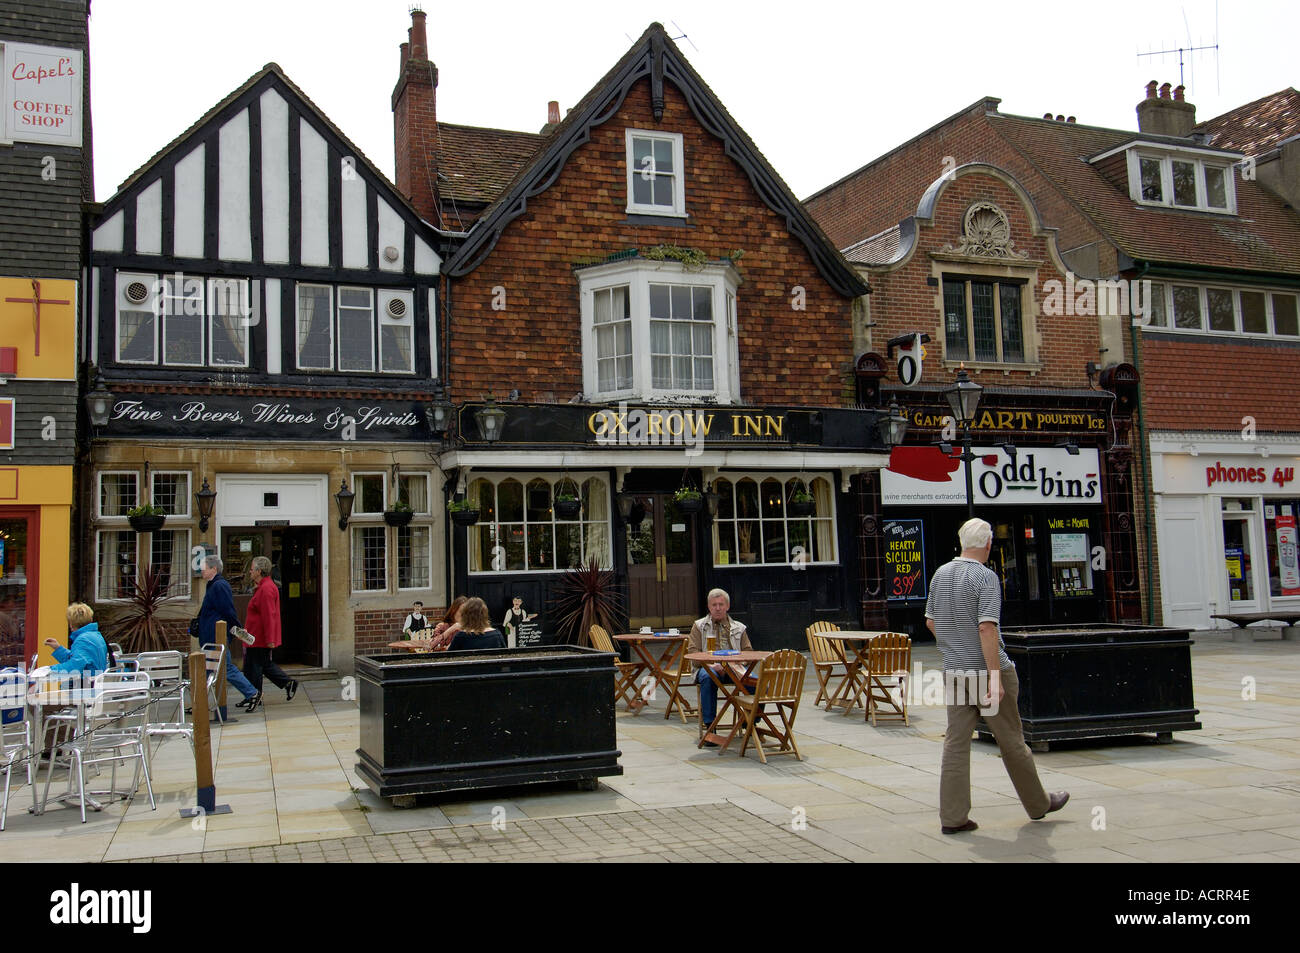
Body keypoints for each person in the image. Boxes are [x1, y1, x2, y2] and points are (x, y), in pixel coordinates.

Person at [925, 518, 1069, 834]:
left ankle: (953, 817)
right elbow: (987, 627)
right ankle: (1038, 804)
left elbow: (931, 622)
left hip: (956, 671)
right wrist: (994, 679)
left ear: (962, 542)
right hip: (989, 672)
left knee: (956, 743)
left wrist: (952, 649)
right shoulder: (985, 577)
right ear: (989, 544)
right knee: (1011, 740)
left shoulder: (940, 575)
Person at [687, 588, 754, 745]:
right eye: (714, 605)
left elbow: (748, 652)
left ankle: (750, 721)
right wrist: (712, 664)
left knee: (759, 683)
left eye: (721, 605)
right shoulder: (699, 626)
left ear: (727, 606)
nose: (718, 608)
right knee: (707, 678)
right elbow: (693, 654)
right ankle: (710, 727)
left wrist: (736, 663)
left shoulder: (739, 627)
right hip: (709, 668)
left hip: (734, 668)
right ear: (709, 607)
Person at [197, 555, 260, 711]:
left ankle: (252, 693)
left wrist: (237, 628)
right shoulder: (212, 585)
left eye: (204, 567)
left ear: (214, 569)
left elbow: (228, 610)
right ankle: (200, 702)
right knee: (208, 668)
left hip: (216, 635)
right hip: (209, 635)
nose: (201, 570)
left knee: (225, 667)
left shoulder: (220, 586)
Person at [241, 556, 298, 713]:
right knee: (260, 665)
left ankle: (255, 695)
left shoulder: (266, 589)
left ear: (259, 571)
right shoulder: (263, 587)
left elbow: (269, 616)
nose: (250, 571)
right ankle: (285, 684)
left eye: (252, 569)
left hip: (259, 638)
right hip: (254, 636)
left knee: (256, 667)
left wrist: (270, 639)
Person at [45, 603, 109, 677]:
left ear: (72, 624)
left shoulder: (83, 640)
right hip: (95, 681)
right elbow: (79, 658)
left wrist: (49, 670)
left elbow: (75, 666)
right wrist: (58, 648)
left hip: (86, 684)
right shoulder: (95, 635)